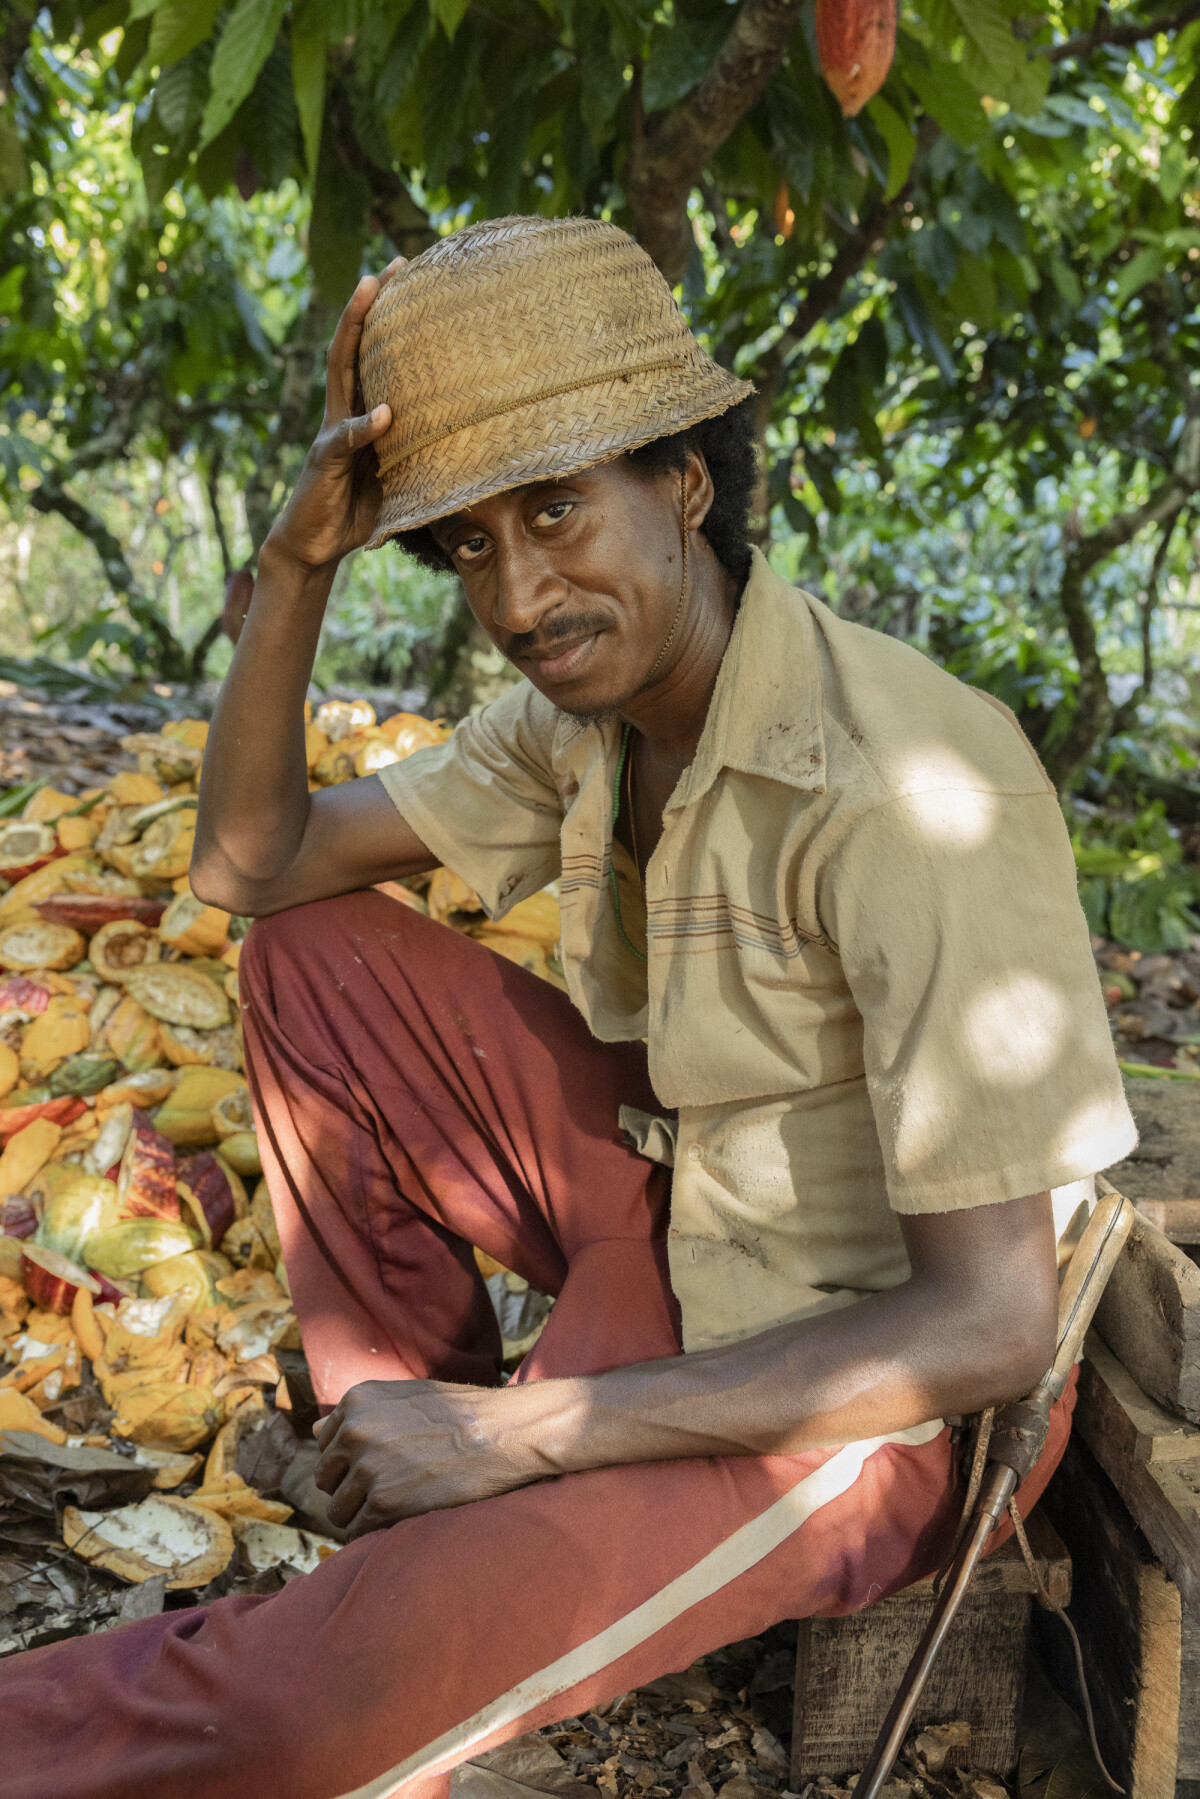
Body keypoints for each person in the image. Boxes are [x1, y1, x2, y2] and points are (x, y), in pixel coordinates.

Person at [0, 217, 1136, 1799]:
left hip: (861, 1403)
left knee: (298, 1709)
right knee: (314, 957)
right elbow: (252, 864)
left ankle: (433, 1515)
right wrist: (294, 565)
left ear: (683, 482)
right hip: (687, 1213)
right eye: (471, 543)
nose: (523, 595)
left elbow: (991, 1326)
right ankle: (399, 1455)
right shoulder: (581, 720)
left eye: (555, 510)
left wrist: (523, 1435)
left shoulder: (899, 789)